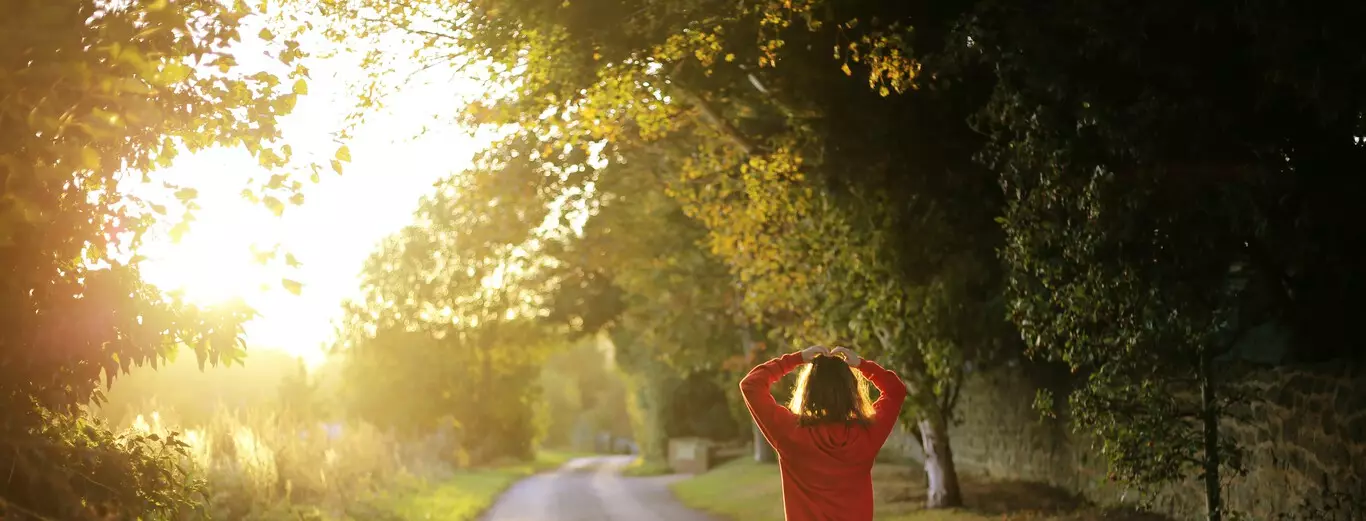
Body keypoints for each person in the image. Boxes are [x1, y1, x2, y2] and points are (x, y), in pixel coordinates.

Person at [740, 345, 907, 521]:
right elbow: (896, 391)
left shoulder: (790, 432)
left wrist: (797, 359)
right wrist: (861, 364)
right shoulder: (866, 434)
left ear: (808, 391)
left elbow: (751, 385)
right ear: (851, 391)